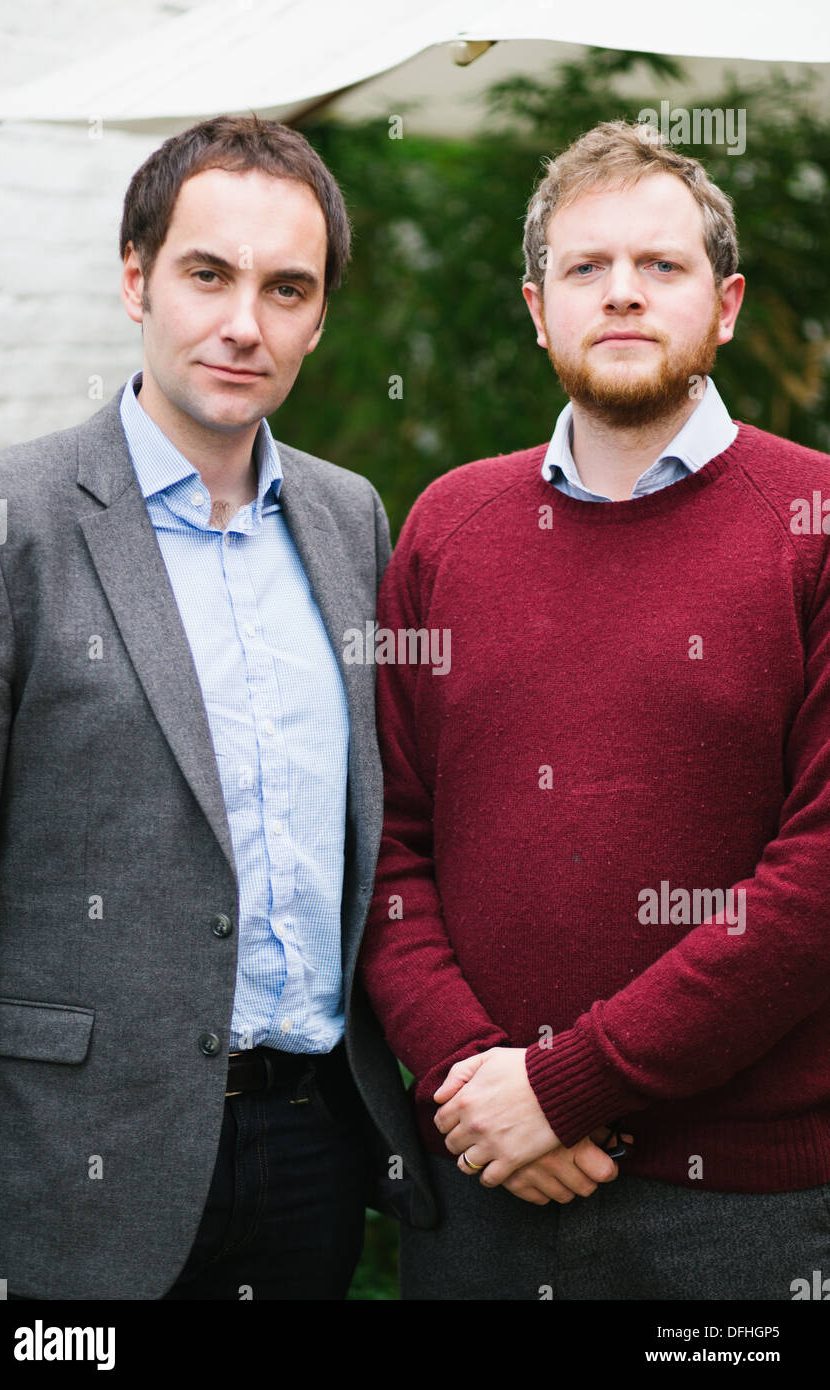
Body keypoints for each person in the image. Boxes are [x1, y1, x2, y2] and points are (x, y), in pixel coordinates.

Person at [0, 113, 432, 1302]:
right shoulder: (5, 522)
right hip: (70, 1165)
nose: (243, 323)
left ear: (320, 317)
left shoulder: (348, 519)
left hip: (309, 1147)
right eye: (207, 274)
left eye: (287, 288)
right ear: (136, 277)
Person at [359, 119, 830, 1300]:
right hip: (481, 1185)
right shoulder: (447, 528)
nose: (621, 294)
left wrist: (565, 1082)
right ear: (535, 308)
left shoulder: (810, 522)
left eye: (659, 267)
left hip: (740, 1213)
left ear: (722, 304)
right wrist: (472, 1073)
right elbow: (381, 845)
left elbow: (815, 875)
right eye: (584, 268)